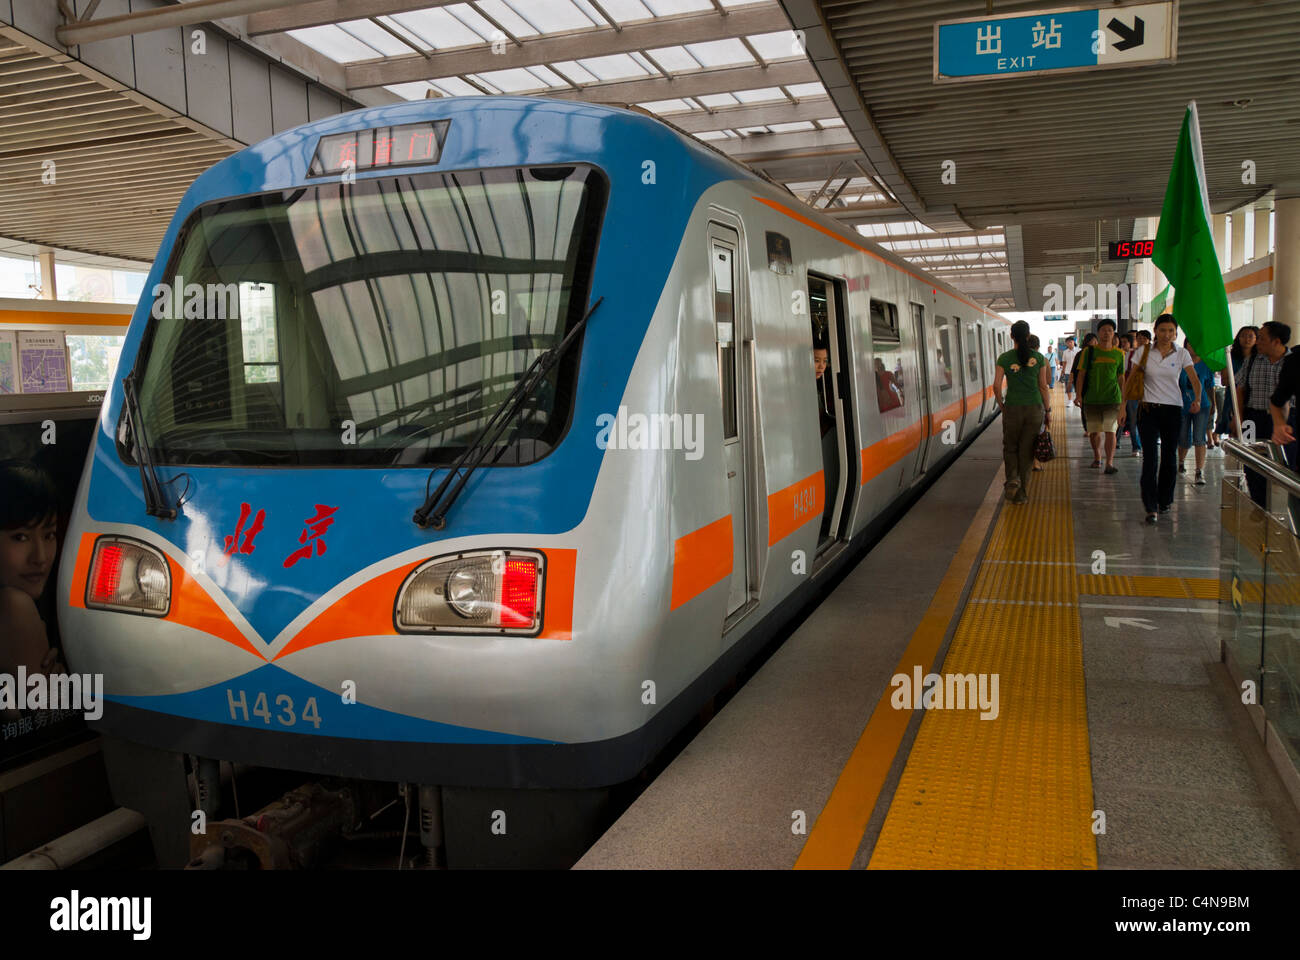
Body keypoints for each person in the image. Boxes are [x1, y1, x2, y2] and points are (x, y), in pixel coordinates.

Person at [0, 460, 65, 714]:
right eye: (21, 537)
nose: (40, 557)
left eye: (49, 535)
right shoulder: (13, 605)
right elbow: (48, 726)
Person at [1136, 316, 1201, 523]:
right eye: (1162, 330)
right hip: (1147, 410)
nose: (1166, 335)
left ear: (1176, 333)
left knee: (1169, 458)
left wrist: (1197, 399)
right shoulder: (1144, 352)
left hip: (1173, 410)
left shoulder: (1182, 354)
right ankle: (1150, 506)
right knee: (1150, 459)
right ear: (1155, 331)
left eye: (1170, 331)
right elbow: (1131, 382)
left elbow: (1194, 379)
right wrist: (1122, 409)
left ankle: (1165, 500)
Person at [993, 321, 1050, 505]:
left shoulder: (1004, 358)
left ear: (1011, 336)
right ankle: (1022, 494)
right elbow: (1043, 386)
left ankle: (1012, 479)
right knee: (1027, 452)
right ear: (1028, 336)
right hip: (1034, 408)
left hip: (1013, 408)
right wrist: (1047, 410)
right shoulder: (1039, 358)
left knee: (1010, 447)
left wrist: (1002, 405)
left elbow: (996, 385)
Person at [1238, 320, 1291, 506]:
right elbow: (1240, 389)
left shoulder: (1292, 363)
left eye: (1261, 338)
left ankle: (1283, 506)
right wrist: (1238, 417)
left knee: (1286, 463)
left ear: (1276, 341)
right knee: (1251, 461)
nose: (1256, 341)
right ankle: (1259, 504)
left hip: (1285, 422)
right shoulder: (1251, 360)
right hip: (1253, 418)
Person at [1074, 319, 1125, 473]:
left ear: (1113, 333)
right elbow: (1081, 375)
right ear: (1098, 333)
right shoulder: (1088, 352)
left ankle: (1109, 463)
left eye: (1109, 330)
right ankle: (1097, 456)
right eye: (1103, 330)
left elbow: (1121, 377)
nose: (1106, 333)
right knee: (1095, 431)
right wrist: (1078, 395)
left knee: (1111, 430)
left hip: (1112, 398)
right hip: (1092, 398)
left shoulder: (1119, 354)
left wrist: (1123, 400)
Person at [1177, 340, 1216, 486]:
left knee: (1200, 438)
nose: (1193, 346)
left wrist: (1213, 404)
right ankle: (1181, 461)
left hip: (1202, 406)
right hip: (1182, 405)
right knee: (1183, 437)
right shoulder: (1180, 363)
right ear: (1185, 345)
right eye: (1191, 343)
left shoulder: (1205, 365)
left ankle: (1199, 471)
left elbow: (1210, 386)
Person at [1218, 326, 1258, 440]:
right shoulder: (1230, 358)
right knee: (1234, 430)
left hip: (1251, 399)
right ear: (1238, 338)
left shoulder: (1259, 359)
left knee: (1250, 433)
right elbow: (1224, 381)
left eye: (1250, 336)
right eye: (1243, 336)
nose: (1247, 339)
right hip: (1233, 397)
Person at [1124, 329, 1152, 457]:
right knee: (1134, 420)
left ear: (1149, 340)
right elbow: (1126, 373)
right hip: (1134, 391)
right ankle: (1136, 446)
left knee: (1147, 421)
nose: (1141, 341)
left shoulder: (1155, 354)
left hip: (1150, 393)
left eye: (1144, 338)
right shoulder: (1130, 355)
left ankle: (1147, 444)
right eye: (1138, 338)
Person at [1070, 332, 1098, 435]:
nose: (1094, 343)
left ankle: (1092, 427)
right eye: (1092, 341)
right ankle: (1087, 428)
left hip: (1094, 384)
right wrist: (1071, 383)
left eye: (1095, 340)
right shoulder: (1081, 354)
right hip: (1082, 384)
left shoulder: (1098, 353)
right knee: (1084, 407)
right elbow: (1074, 370)